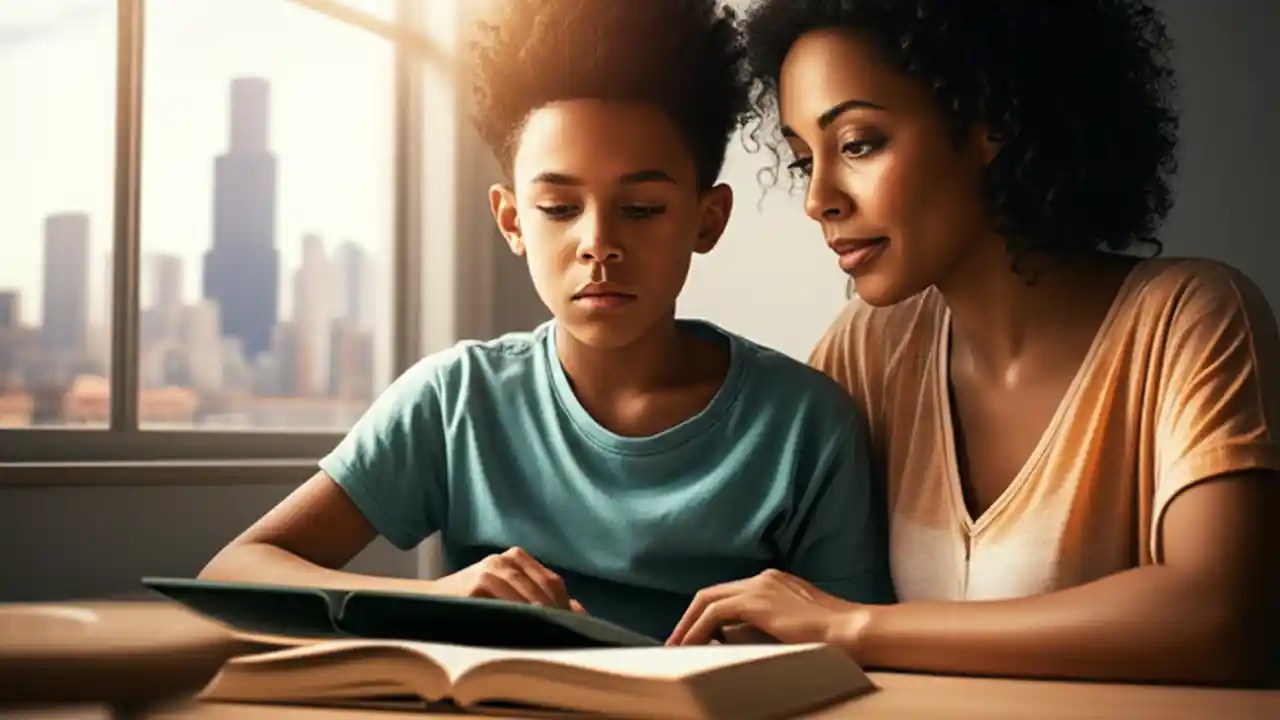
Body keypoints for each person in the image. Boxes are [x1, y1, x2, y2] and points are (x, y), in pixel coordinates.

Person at [199, 0, 893, 641]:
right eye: (560, 209)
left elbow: (853, 646)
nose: (599, 243)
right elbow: (236, 569)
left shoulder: (806, 427)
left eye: (642, 209)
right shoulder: (455, 400)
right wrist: (430, 601)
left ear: (707, 219)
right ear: (511, 221)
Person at [668, 0, 1279, 685]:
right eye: (804, 158)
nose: (819, 199)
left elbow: (1221, 616)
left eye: (859, 143)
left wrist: (855, 628)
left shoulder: (1188, 319)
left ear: (992, 117)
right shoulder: (867, 352)